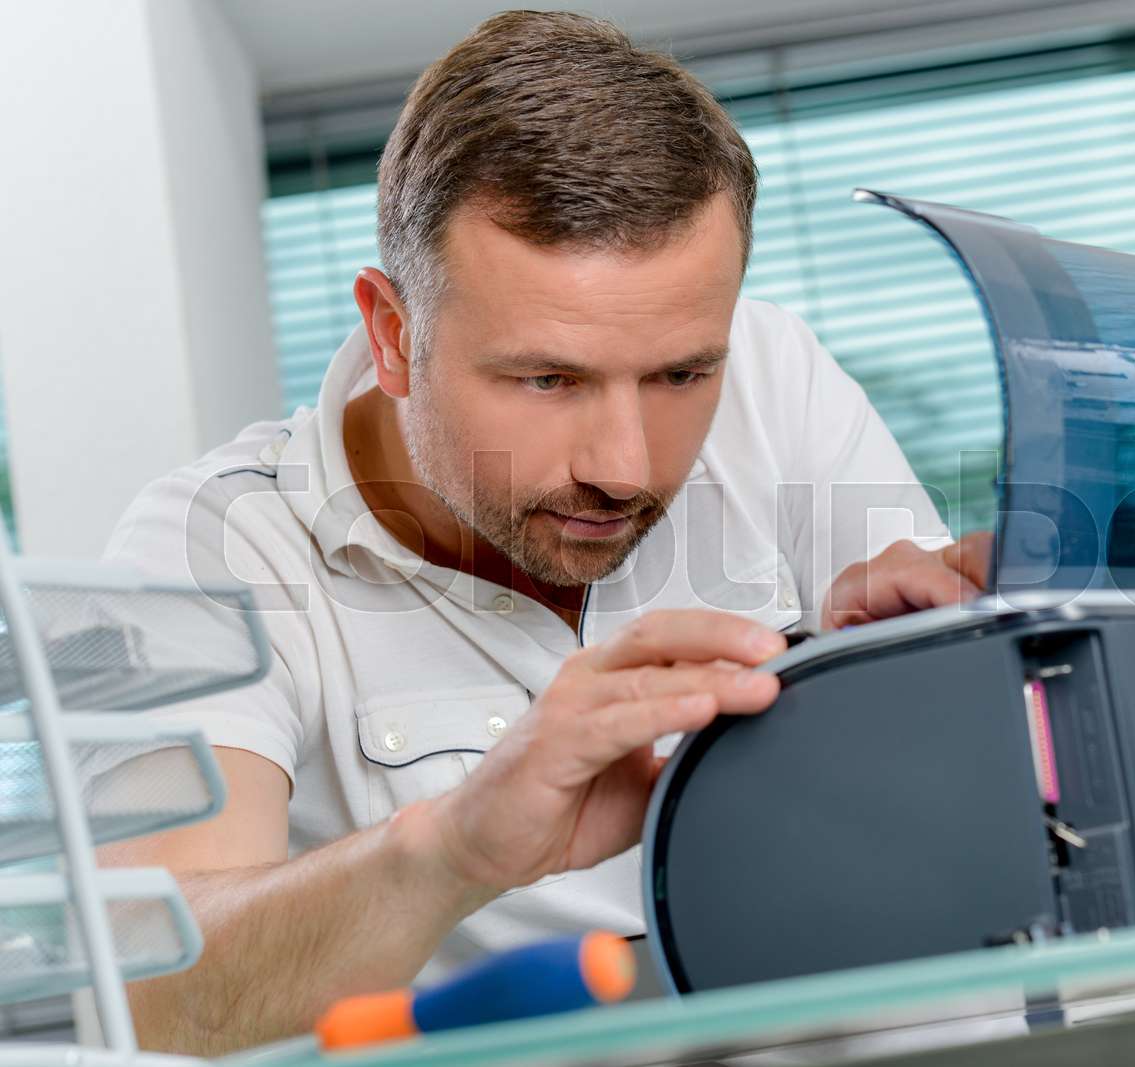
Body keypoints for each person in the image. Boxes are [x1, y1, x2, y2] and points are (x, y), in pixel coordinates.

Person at [100, 11, 987, 1055]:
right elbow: (158, 996)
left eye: (679, 375)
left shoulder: (773, 369)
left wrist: (922, 661)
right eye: (547, 379)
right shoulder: (210, 543)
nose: (626, 463)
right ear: (395, 333)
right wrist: (455, 847)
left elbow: (975, 805)